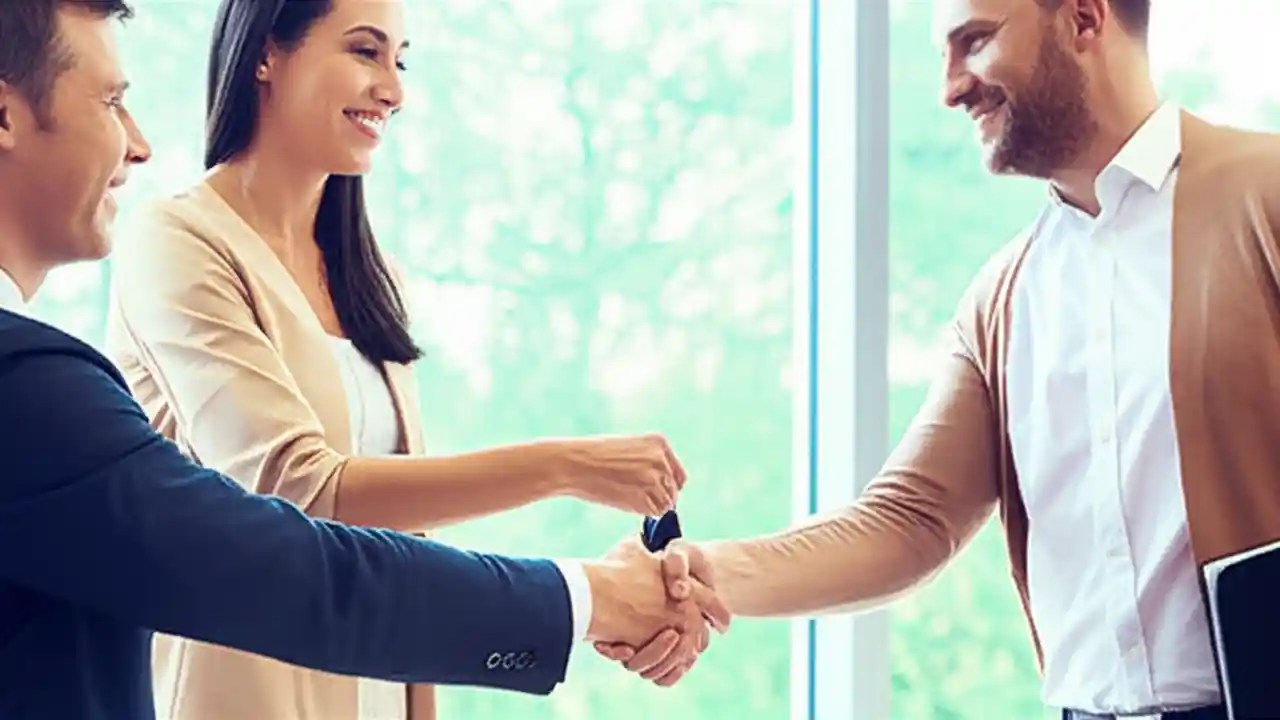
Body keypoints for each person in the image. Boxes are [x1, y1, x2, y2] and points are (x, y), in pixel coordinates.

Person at [0, 2, 728, 718]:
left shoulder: (372, 279)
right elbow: (296, 493)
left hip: (378, 675)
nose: (393, 90)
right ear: (267, 53)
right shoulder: (155, 262)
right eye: (364, 51)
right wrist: (573, 509)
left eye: (400, 61)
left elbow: (393, 535)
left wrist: (627, 593)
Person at [602, 0, 1280, 717]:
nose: (951, 88)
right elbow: (910, 521)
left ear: (1083, 18)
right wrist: (698, 575)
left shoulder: (1264, 200)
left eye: (975, 42)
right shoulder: (1003, 297)